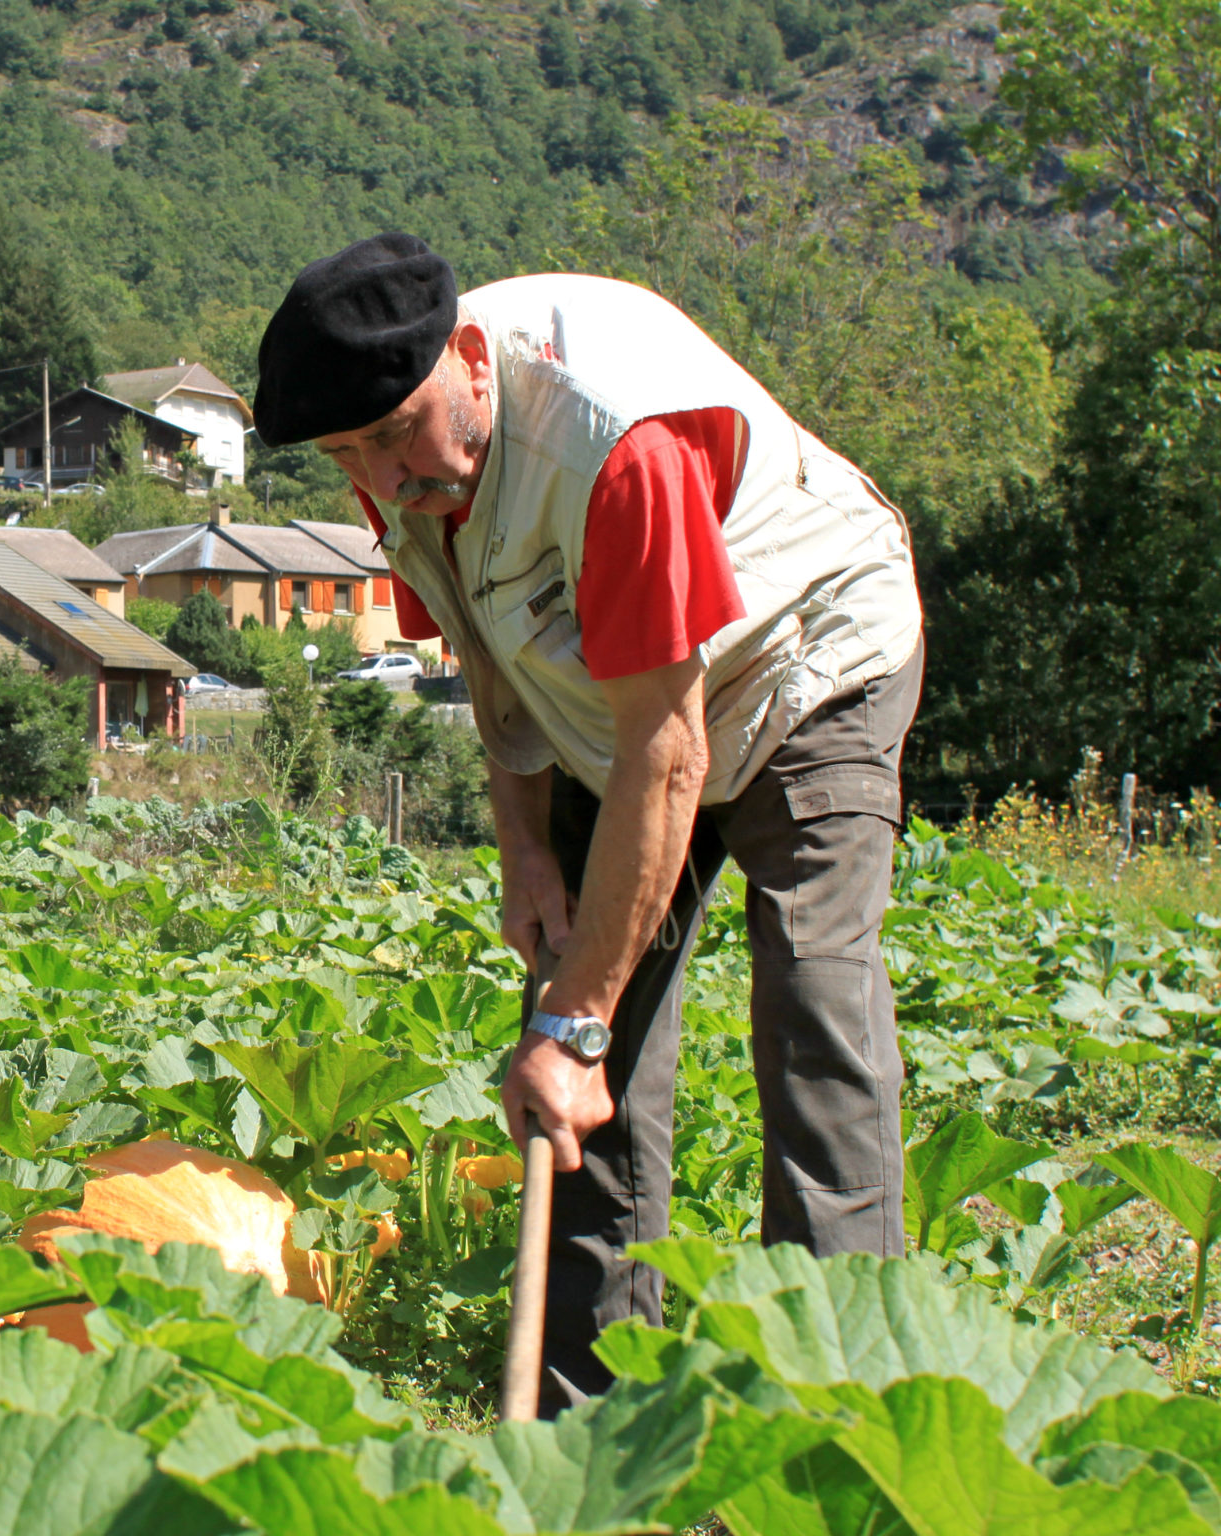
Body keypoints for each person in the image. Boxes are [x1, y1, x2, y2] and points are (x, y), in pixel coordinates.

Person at [252, 233, 924, 1414]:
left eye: (395, 433)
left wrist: (579, 1024)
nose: (381, 473)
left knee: (812, 999)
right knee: (571, 1062)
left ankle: (838, 1415)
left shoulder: (613, 443)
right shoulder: (400, 449)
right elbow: (486, 651)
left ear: (468, 361)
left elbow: (670, 759)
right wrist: (522, 849)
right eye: (346, 453)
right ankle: (587, 1425)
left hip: (805, 658)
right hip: (619, 706)